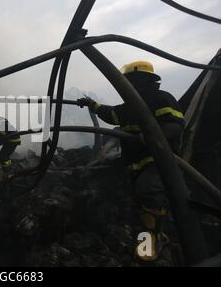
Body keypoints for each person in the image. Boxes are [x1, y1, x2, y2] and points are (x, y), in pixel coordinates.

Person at [77, 60, 185, 261]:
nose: (126, 86)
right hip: (134, 163)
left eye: (129, 81)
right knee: (131, 194)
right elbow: (111, 114)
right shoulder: (130, 106)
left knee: (149, 190)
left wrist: (155, 135)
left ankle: (151, 242)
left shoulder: (161, 99)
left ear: (142, 80)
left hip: (158, 161)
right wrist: (92, 105)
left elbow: (176, 125)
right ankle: (145, 230)